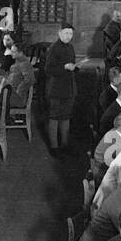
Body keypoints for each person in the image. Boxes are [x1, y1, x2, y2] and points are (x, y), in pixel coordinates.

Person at [44, 25, 78, 154]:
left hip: (69, 88)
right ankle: (54, 147)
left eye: (70, 33)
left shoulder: (70, 47)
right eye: (66, 33)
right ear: (59, 33)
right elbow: (48, 69)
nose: (68, 36)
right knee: (54, 117)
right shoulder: (54, 48)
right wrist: (64, 67)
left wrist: (74, 67)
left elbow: (71, 65)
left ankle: (64, 145)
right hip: (56, 88)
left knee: (66, 117)